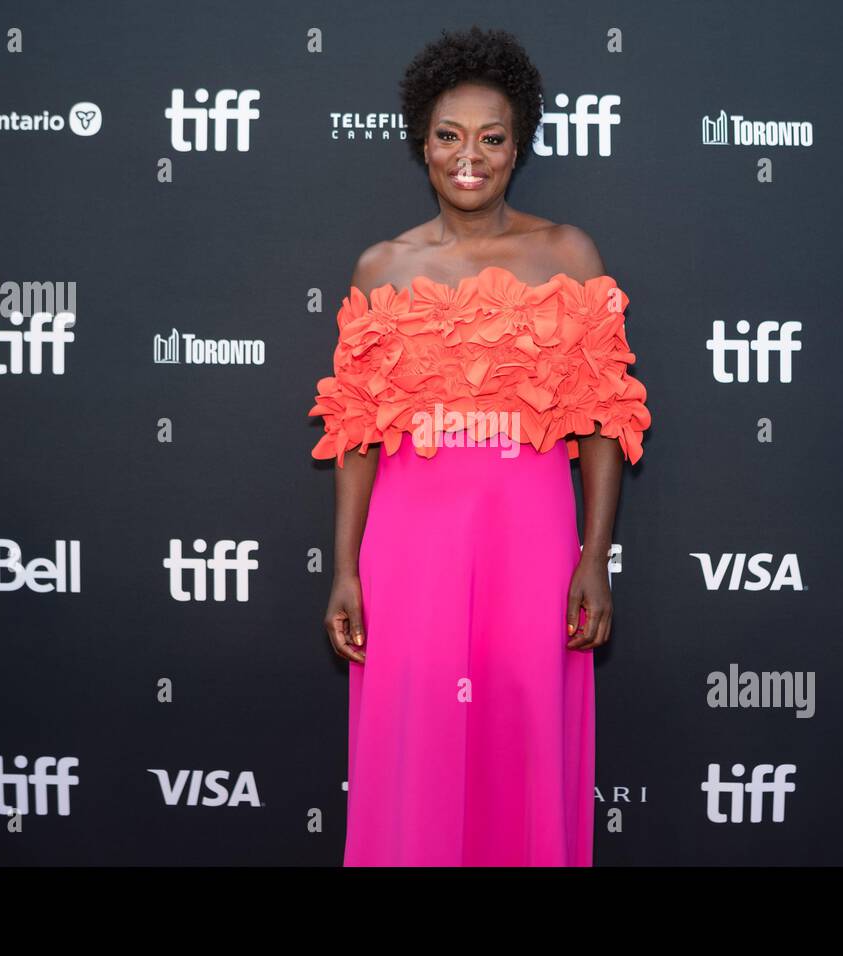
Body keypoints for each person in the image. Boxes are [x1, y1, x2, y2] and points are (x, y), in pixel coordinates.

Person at [309, 25, 651, 866]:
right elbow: (358, 430)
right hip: (409, 541)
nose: (471, 157)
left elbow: (603, 417)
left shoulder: (567, 254)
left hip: (531, 538)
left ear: (519, 146)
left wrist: (594, 556)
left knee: (524, 742)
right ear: (421, 145)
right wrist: (346, 566)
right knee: (414, 748)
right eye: (449, 137)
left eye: (492, 138)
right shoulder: (380, 268)